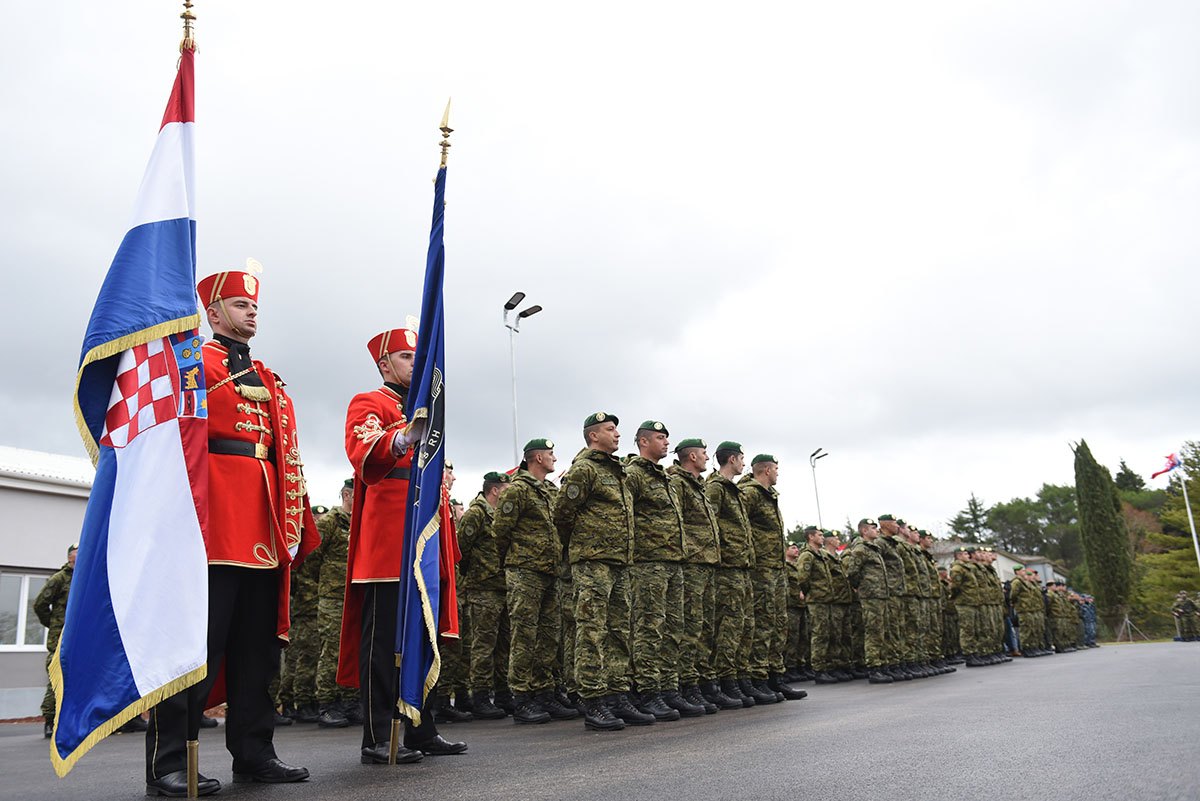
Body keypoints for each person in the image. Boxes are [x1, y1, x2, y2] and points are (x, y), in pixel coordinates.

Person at [146, 268, 320, 797]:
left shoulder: (270, 377)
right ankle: (168, 761)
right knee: (199, 647)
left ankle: (254, 752)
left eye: (255, 306)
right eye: (240, 304)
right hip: (212, 522)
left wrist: (298, 517)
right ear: (213, 312)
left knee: (258, 651)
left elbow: (285, 454)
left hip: (265, 525)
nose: (251, 313)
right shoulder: (191, 362)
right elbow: (172, 437)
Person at [337, 325, 467, 767]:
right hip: (389, 540)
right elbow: (363, 451)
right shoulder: (370, 402)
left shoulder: (429, 407)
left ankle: (421, 728)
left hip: (425, 539)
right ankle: (376, 736)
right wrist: (401, 438)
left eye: (418, 357)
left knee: (423, 637)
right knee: (382, 645)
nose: (416, 364)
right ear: (384, 364)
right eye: (408, 358)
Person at [552, 412, 651, 731]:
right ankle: (594, 700)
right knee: (592, 629)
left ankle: (618, 694)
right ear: (594, 436)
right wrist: (584, 546)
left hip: (620, 561)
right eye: (611, 429)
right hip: (593, 561)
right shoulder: (584, 469)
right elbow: (563, 514)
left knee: (619, 629)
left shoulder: (618, 470)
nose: (618, 434)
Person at [493, 438, 578, 722]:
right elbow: (501, 531)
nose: (554, 458)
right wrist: (517, 560)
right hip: (525, 571)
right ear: (537, 459)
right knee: (524, 635)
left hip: (549, 570)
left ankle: (544, 692)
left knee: (548, 635)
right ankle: (521, 696)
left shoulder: (549, 491)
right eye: (550, 454)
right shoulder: (517, 490)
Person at [626, 421, 700, 720]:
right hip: (648, 563)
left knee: (673, 630)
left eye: (668, 437)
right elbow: (625, 515)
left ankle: (669, 689)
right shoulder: (633, 475)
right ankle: (648, 691)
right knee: (649, 629)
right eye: (660, 437)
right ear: (644, 442)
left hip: (673, 561)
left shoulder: (666, 478)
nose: (667, 441)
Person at [667, 439, 729, 712]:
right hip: (691, 563)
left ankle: (701, 683)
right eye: (704, 453)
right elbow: (676, 521)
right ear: (692, 456)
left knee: (703, 627)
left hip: (707, 564)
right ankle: (687, 685)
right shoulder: (678, 483)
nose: (708, 458)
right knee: (689, 627)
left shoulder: (699, 486)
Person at [738, 455, 804, 701]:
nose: (778, 473)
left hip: (776, 568)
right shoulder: (749, 493)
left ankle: (777, 676)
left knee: (778, 624)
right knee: (763, 623)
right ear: (765, 470)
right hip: (760, 568)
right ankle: (759, 677)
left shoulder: (769, 495)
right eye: (776, 469)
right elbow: (738, 525)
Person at [705, 442, 759, 707]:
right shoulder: (715, 488)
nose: (743, 463)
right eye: (741, 458)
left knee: (743, 625)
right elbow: (709, 524)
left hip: (742, 565)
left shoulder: (733, 490)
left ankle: (740, 677)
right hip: (727, 567)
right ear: (732, 459)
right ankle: (726, 680)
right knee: (728, 625)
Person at [460, 472, 515, 720]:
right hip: (483, 588)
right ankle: (480, 695)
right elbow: (462, 548)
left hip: (503, 586)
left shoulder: (502, 514)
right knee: (483, 645)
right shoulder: (477, 513)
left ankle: (503, 693)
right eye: (506, 488)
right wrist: (477, 573)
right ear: (495, 490)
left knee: (504, 645)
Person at [313, 480, 360, 727]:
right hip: (332, 597)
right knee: (332, 650)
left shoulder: (361, 520)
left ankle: (351, 701)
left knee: (353, 649)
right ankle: (326, 704)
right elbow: (312, 558)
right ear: (346, 495)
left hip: (354, 595)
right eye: (357, 494)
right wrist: (327, 583)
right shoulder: (331, 521)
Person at [839, 519, 894, 684]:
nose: (876, 530)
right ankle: (874, 667)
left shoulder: (874, 548)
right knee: (873, 631)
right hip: (870, 595)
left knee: (882, 631)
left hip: (881, 595)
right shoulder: (861, 549)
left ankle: (883, 664)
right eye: (872, 528)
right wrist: (860, 587)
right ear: (864, 531)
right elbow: (852, 572)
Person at [34, 544, 76, 738]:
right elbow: (40, 604)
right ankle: (50, 720)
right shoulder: (59, 579)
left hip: (77, 637)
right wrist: (52, 624)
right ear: (70, 557)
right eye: (77, 554)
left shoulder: (84, 578)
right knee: (55, 678)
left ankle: (73, 720)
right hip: (59, 638)